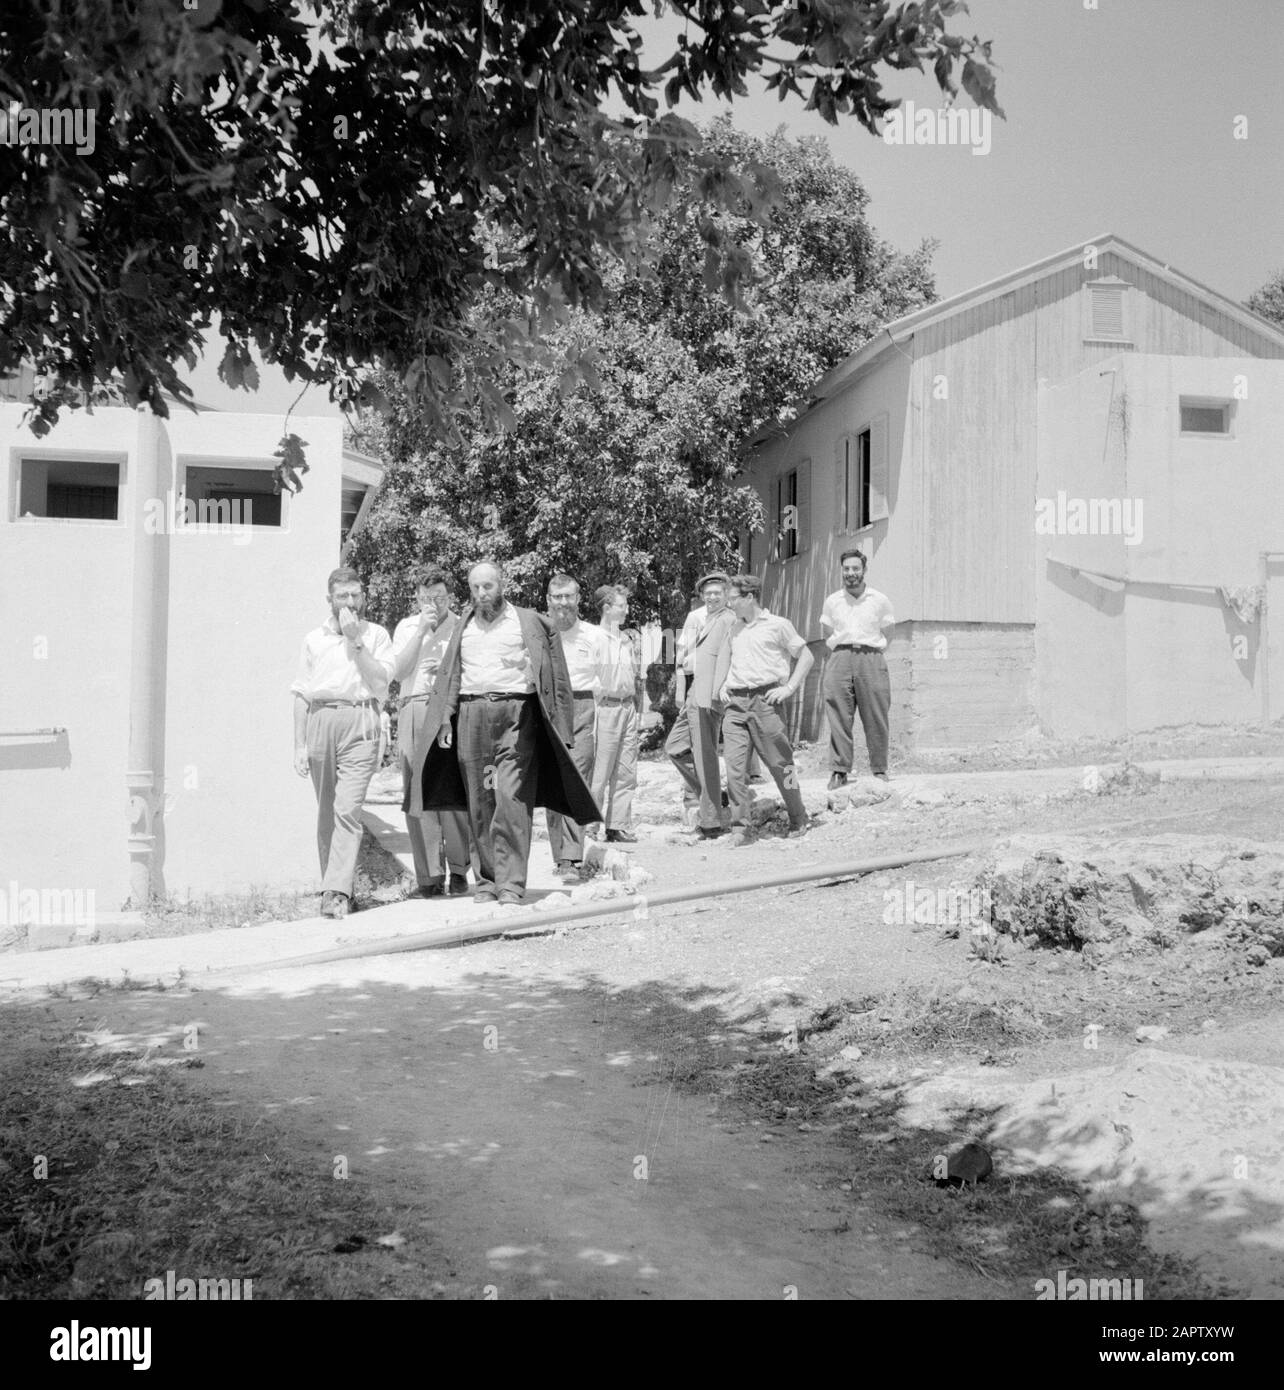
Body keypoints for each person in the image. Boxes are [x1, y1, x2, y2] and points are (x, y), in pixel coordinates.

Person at [404, 562, 601, 905]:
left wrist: (555, 711)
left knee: (511, 799)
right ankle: (487, 881)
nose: (482, 593)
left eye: (488, 586)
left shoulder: (528, 622)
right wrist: (446, 720)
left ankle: (511, 884)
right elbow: (452, 675)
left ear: (502, 584)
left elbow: (556, 676)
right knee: (481, 803)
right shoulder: (463, 626)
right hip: (471, 715)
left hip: (515, 716)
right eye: (476, 587)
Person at [291, 567, 395, 918]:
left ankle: (337, 892)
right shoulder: (314, 639)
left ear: (363, 596)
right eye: (343, 596)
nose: (351, 602)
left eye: (356, 594)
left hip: (360, 722)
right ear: (330, 600)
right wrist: (299, 745)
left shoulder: (376, 635)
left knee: (347, 809)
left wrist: (356, 640)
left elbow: (381, 684)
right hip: (321, 719)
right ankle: (331, 886)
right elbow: (302, 696)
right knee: (326, 811)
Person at [391, 566, 471, 897]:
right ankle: (429, 876)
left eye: (438, 597)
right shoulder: (407, 626)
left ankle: (458, 868)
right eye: (426, 598)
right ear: (417, 599)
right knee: (418, 792)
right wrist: (422, 630)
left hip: (449, 708)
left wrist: (448, 671)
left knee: (451, 790)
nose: (433, 604)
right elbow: (398, 671)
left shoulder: (461, 626)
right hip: (414, 705)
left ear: (449, 596)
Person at [718, 574, 814, 844]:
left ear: (750, 598)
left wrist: (790, 687)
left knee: (781, 765)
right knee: (735, 769)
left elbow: (806, 656)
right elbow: (736, 661)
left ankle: (798, 815)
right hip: (736, 705)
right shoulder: (734, 628)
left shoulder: (778, 625)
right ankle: (739, 828)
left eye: (733, 599)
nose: (729, 604)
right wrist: (725, 684)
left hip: (766, 703)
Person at [666, 571, 736, 841]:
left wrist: (722, 687)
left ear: (726, 594)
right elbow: (682, 658)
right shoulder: (696, 618)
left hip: (711, 689)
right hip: (695, 687)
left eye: (717, 592)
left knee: (704, 755)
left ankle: (710, 822)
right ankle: (714, 797)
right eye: (708, 593)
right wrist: (681, 694)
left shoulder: (729, 619)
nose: (712, 597)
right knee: (674, 748)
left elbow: (731, 656)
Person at [819, 548, 895, 789]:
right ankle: (840, 770)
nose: (851, 573)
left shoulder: (879, 600)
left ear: (864, 570)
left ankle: (879, 768)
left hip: (870, 657)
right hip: (840, 657)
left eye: (855, 568)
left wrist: (874, 651)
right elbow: (827, 631)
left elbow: (889, 630)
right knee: (839, 715)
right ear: (842, 571)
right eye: (846, 569)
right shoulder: (833, 601)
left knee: (876, 714)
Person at [544, 574, 600, 884]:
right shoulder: (540, 633)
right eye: (557, 597)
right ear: (548, 600)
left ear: (578, 599)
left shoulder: (594, 635)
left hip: (582, 708)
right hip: (549, 710)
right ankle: (560, 857)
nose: (563, 603)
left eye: (569, 596)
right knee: (554, 783)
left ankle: (572, 856)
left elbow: (603, 681)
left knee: (577, 780)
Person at [589, 584, 642, 844]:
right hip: (606, 707)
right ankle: (590, 825)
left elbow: (633, 674)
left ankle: (617, 825)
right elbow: (588, 675)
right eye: (621, 606)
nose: (626, 610)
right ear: (607, 609)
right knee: (600, 771)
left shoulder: (625, 638)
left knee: (626, 771)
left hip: (627, 707)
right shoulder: (594, 637)